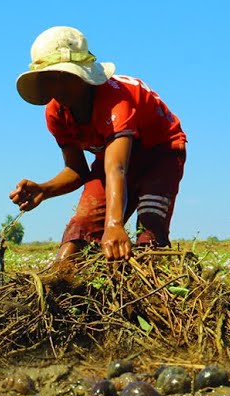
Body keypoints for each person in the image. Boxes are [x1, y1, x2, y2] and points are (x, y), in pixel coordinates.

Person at [10, 26, 187, 266]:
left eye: (65, 77)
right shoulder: (56, 114)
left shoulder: (115, 100)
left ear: (83, 75)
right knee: (80, 230)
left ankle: (152, 284)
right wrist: (45, 189)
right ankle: (59, 282)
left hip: (160, 154)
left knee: (149, 229)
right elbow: (77, 170)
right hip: (111, 161)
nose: (59, 88)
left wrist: (113, 225)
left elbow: (117, 168)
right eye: (51, 79)